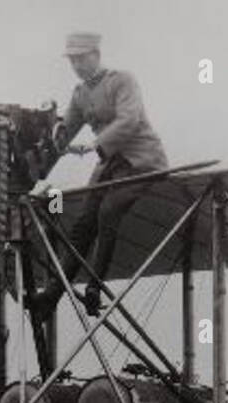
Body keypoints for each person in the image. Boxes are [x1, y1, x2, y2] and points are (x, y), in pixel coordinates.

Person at [30, 32, 168, 316]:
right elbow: (64, 133)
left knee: (109, 211)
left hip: (142, 160)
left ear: (96, 54)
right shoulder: (80, 94)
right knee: (84, 222)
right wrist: (41, 156)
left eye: (81, 58)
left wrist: (94, 145)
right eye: (72, 60)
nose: (77, 65)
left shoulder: (122, 80)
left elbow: (129, 120)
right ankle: (53, 294)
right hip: (110, 164)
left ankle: (94, 286)